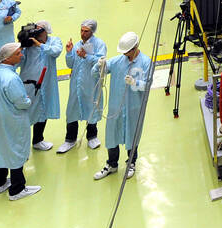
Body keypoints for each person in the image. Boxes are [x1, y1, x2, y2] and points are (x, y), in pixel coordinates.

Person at [0, 43, 40, 200]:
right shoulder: (11, 78)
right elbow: (21, 102)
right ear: (8, 58)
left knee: (1, 147)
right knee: (16, 148)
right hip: (13, 119)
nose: (21, 56)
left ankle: (0, 182)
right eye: (18, 53)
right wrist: (28, 100)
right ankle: (17, 188)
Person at [95, 32, 151, 180]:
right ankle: (112, 164)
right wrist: (99, 65)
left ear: (135, 48)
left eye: (127, 52)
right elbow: (99, 71)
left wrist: (135, 83)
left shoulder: (145, 62)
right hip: (116, 108)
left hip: (134, 108)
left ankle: (131, 163)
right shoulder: (118, 61)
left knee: (132, 134)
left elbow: (148, 85)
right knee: (112, 134)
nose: (125, 55)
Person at [59, 19, 107, 153]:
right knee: (72, 110)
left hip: (91, 83)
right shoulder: (77, 46)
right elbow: (70, 64)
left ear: (92, 31)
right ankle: (70, 140)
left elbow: (101, 62)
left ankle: (92, 136)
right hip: (76, 85)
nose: (82, 33)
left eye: (86, 31)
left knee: (91, 107)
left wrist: (86, 56)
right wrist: (69, 52)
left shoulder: (99, 44)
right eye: (81, 30)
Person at [19, 21, 62, 149]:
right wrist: (22, 45)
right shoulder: (29, 44)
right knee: (26, 111)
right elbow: (20, 60)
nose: (37, 33)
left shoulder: (54, 41)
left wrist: (40, 45)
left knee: (42, 110)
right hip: (29, 83)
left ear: (45, 31)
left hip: (46, 82)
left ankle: (38, 140)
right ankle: (21, 142)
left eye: (39, 30)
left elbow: (56, 52)